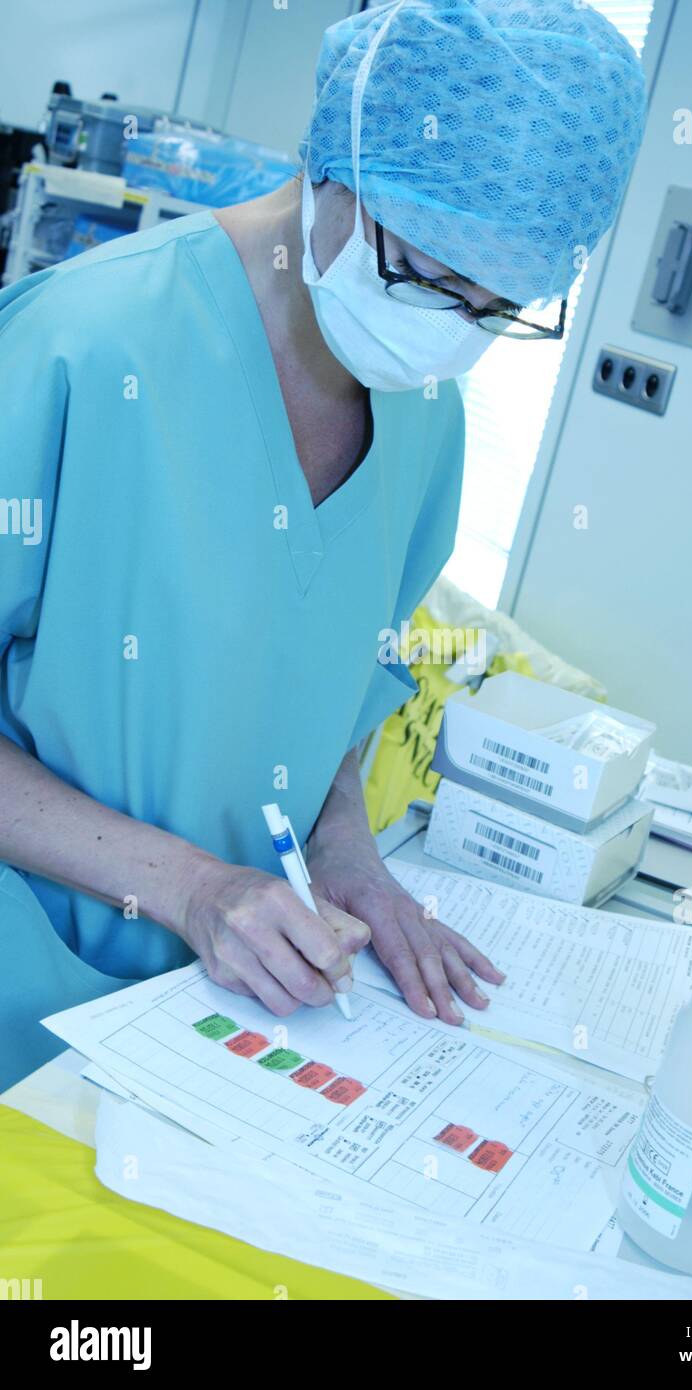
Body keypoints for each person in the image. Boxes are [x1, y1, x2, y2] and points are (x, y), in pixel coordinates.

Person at [0, 0, 646, 1089]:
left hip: (228, 1006)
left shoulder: (423, 413)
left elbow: (328, 688)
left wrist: (348, 858)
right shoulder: (81, 346)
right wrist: (194, 887)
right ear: (343, 157)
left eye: (499, 305)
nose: (452, 321)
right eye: (429, 271)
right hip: (33, 994)